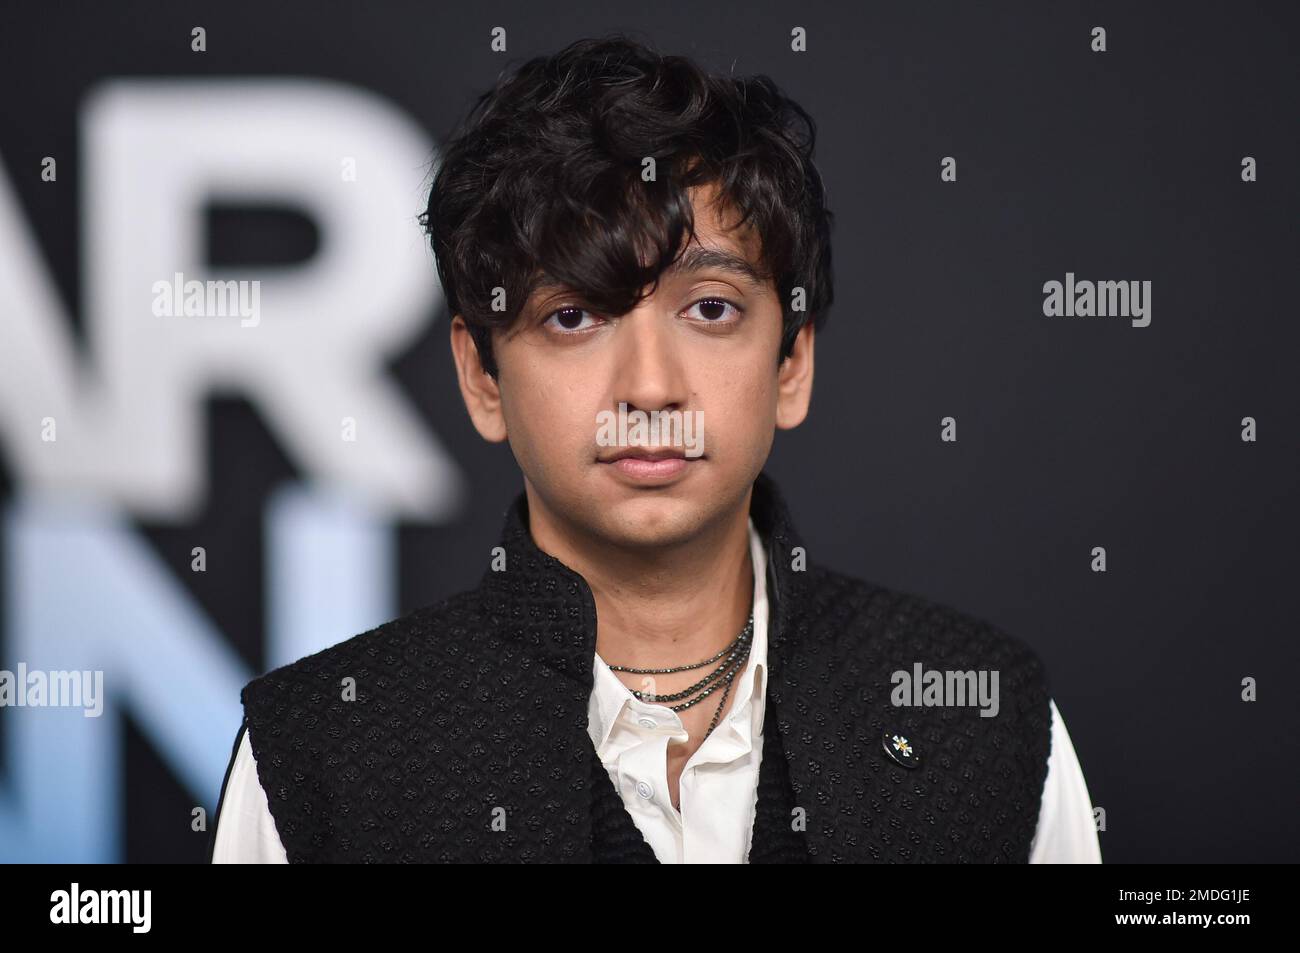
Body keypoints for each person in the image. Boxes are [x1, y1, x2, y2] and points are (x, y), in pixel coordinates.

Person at [209, 34, 1101, 864]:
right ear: (481, 375)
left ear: (792, 361)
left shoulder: (983, 718)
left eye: (710, 308)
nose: (649, 386)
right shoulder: (321, 754)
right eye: (574, 315)